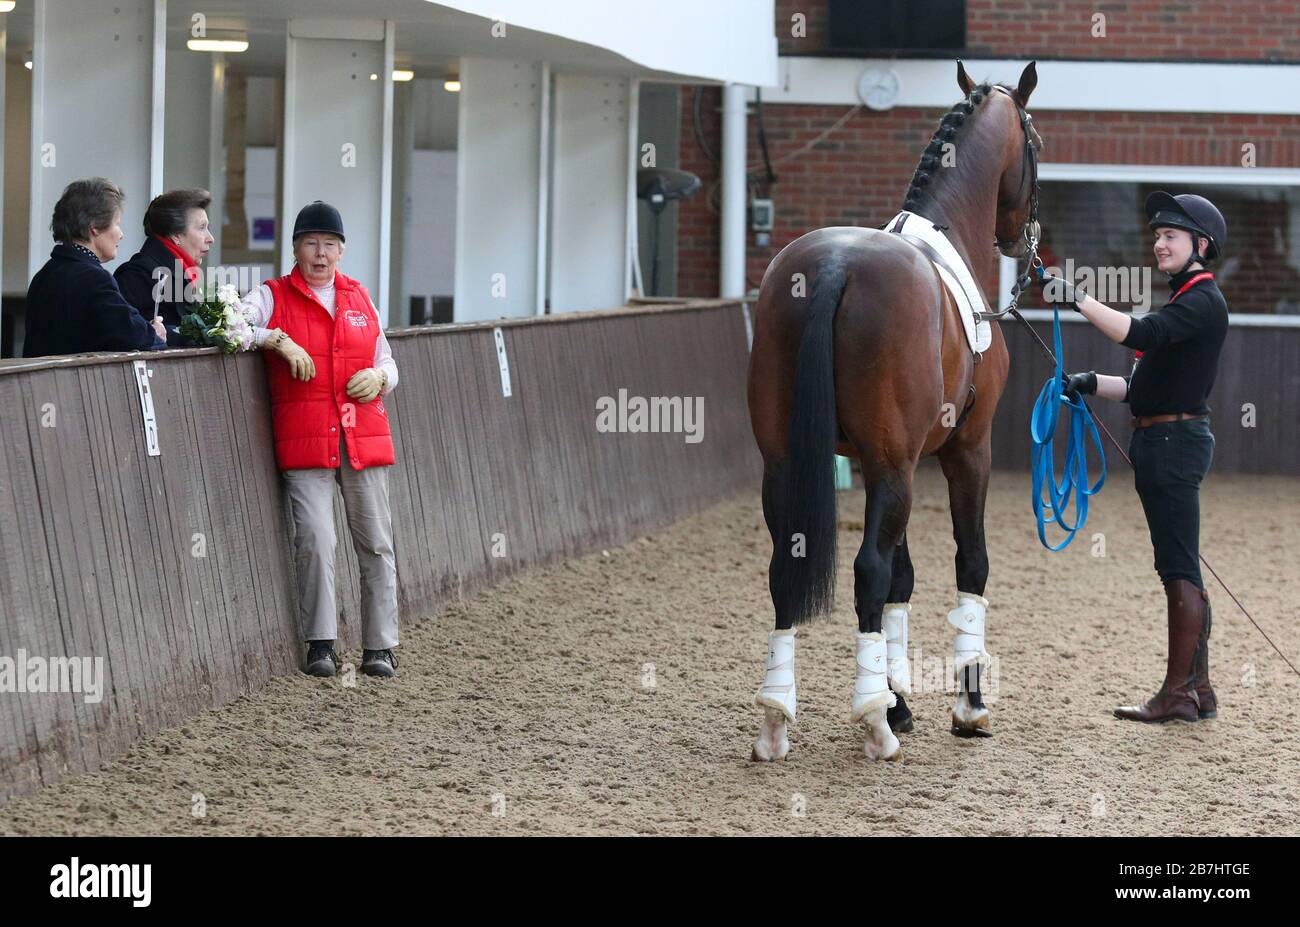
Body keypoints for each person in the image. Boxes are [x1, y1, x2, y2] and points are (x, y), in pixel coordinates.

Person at [1039, 191, 1228, 724]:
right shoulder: (1186, 300)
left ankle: (1177, 694)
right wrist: (1089, 383)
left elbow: (1138, 333)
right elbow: (1144, 388)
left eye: (1170, 236)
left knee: (1178, 569)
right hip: (1165, 440)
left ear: (1200, 245)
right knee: (1181, 565)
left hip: (1173, 445)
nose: (1158, 243)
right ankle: (1198, 689)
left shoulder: (1200, 300)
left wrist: (1074, 296)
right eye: (1158, 235)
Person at [235, 201, 401, 678]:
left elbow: (388, 360)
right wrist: (276, 340)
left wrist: (379, 378)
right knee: (316, 537)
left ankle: (380, 645)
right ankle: (321, 642)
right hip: (306, 438)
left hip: (362, 437)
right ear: (295, 248)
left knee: (375, 541)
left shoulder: (360, 298)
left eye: (329, 244)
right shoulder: (271, 295)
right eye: (311, 243)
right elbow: (233, 327)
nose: (320, 254)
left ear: (342, 250)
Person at [23, 178, 166, 357]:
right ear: (95, 227)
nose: (121, 234)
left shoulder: (44, 275)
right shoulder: (93, 278)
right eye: (117, 224)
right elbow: (136, 337)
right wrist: (156, 334)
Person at [115, 188, 215, 347]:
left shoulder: (185, 274)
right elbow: (123, 335)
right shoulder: (137, 275)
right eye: (202, 227)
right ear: (176, 234)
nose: (211, 238)